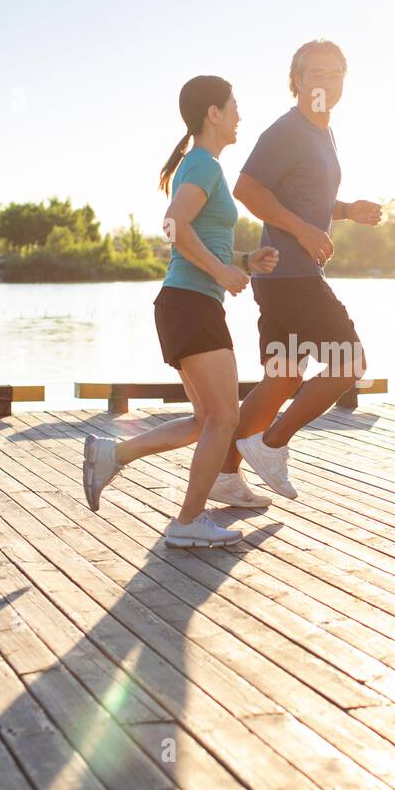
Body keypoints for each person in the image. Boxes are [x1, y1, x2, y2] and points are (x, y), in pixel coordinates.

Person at [82, 75, 278, 548]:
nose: (239, 116)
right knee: (224, 419)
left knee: (205, 420)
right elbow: (174, 226)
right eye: (234, 106)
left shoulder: (201, 165)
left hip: (185, 303)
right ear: (213, 113)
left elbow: (197, 240)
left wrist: (244, 263)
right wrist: (220, 271)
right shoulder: (204, 165)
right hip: (190, 305)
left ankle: (113, 456)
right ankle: (187, 523)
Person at [222, 39, 383, 499]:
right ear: (296, 81)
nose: (327, 83)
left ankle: (225, 475)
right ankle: (272, 445)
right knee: (349, 362)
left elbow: (303, 199)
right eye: (317, 74)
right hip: (291, 277)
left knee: (284, 375)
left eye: (336, 74)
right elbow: (248, 189)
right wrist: (305, 232)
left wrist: (348, 210)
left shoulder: (321, 132)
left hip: (282, 277)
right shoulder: (288, 130)